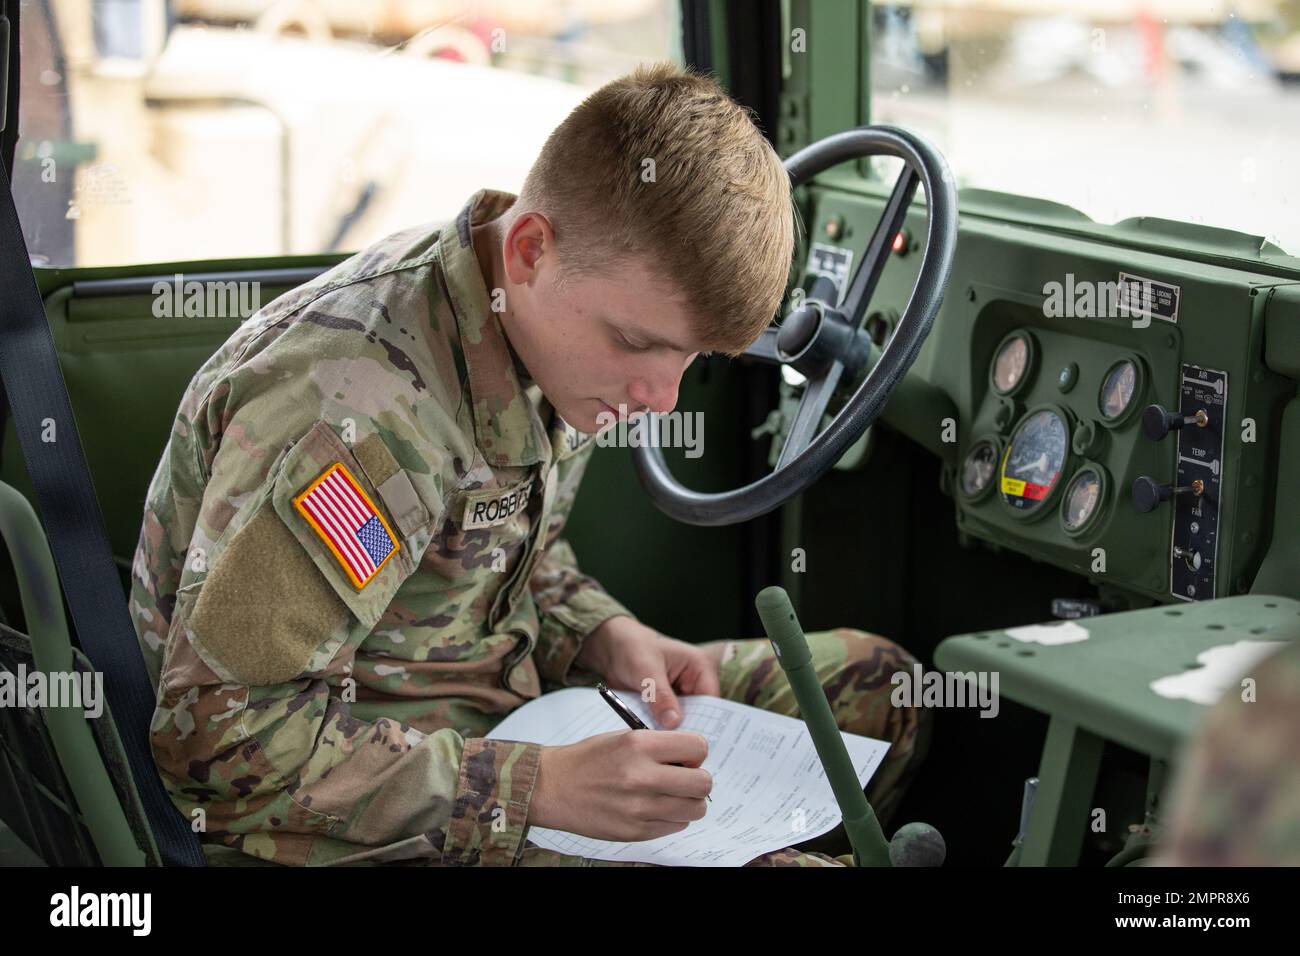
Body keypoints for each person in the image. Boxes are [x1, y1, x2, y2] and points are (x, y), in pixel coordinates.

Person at [129, 61, 929, 867]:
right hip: (341, 815)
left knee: (878, 685)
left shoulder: (534, 328)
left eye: (693, 358)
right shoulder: (362, 421)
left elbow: (500, 560)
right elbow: (216, 749)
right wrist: (538, 788)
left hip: (505, 721)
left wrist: (604, 633)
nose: (659, 396)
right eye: (638, 343)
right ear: (532, 248)